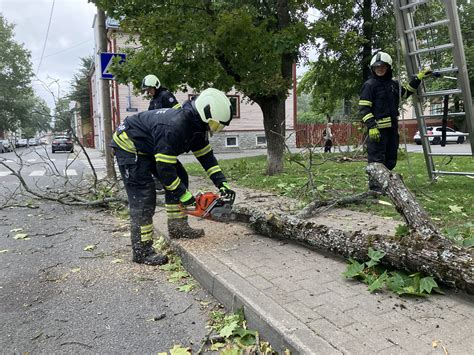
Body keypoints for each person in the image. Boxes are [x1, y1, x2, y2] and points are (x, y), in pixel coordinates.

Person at [111, 88, 236, 266]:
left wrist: (222, 183)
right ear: (205, 113)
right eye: (216, 124)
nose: (215, 129)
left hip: (149, 146)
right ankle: (142, 250)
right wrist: (185, 196)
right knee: (144, 196)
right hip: (129, 145)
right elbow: (165, 170)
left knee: (180, 175)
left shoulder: (198, 127)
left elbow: (207, 158)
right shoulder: (175, 126)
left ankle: (178, 228)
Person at [358, 51, 432, 191]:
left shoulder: (393, 84)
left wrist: (418, 78)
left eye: (383, 67)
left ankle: (385, 183)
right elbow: (364, 108)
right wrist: (371, 126)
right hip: (377, 130)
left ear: (388, 68)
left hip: (392, 129)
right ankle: (375, 188)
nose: (379, 69)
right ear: (373, 69)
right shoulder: (369, 85)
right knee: (376, 159)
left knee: (391, 158)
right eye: (377, 67)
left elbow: (405, 93)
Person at [142, 74, 183, 191]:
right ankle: (160, 180)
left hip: (167, 133)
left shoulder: (166, 96)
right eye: (147, 90)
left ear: (156, 86)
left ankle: (169, 180)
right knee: (155, 157)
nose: (148, 92)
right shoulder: (153, 101)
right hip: (156, 134)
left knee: (164, 158)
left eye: (149, 89)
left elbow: (178, 113)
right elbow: (149, 117)